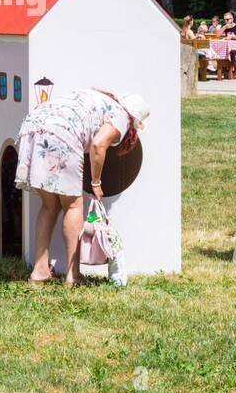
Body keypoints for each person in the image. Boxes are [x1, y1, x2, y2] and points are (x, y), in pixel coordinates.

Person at [15, 89, 149, 286]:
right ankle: (73, 275)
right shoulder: (121, 116)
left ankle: (40, 271)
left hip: (35, 126)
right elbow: (98, 145)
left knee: (49, 206)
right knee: (72, 205)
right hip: (63, 135)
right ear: (134, 120)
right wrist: (96, 182)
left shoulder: (99, 99)